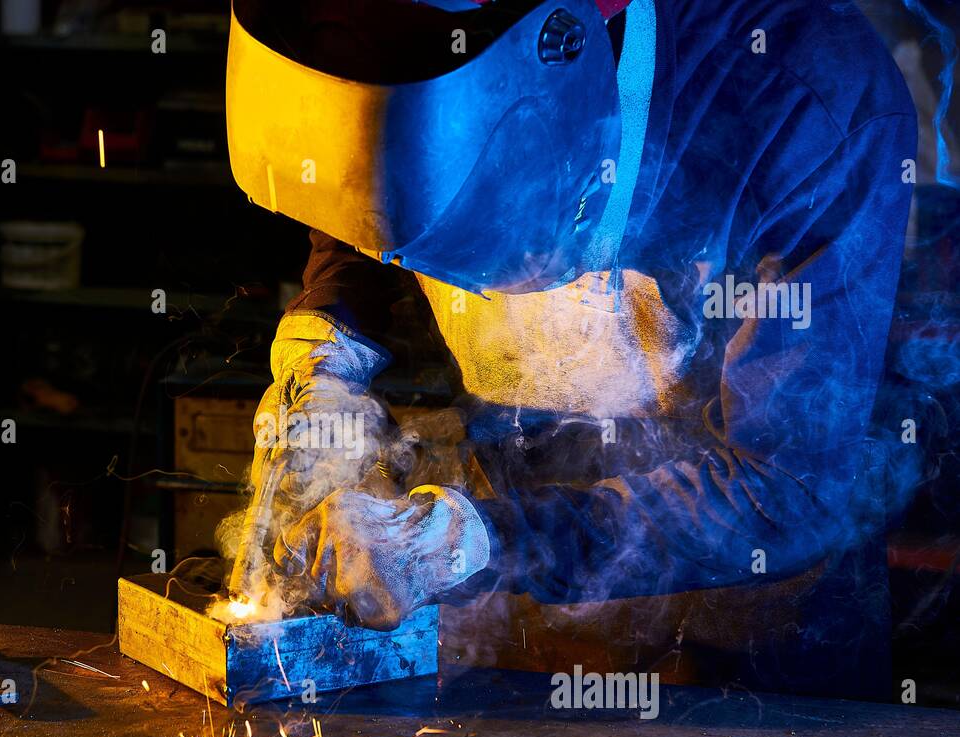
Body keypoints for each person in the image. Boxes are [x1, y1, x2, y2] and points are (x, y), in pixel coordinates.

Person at [225, 0, 918, 698]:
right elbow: (370, 187)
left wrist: (469, 542)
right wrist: (325, 366)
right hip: (509, 629)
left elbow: (784, 488)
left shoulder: (809, 98)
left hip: (748, 668)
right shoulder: (414, 42)